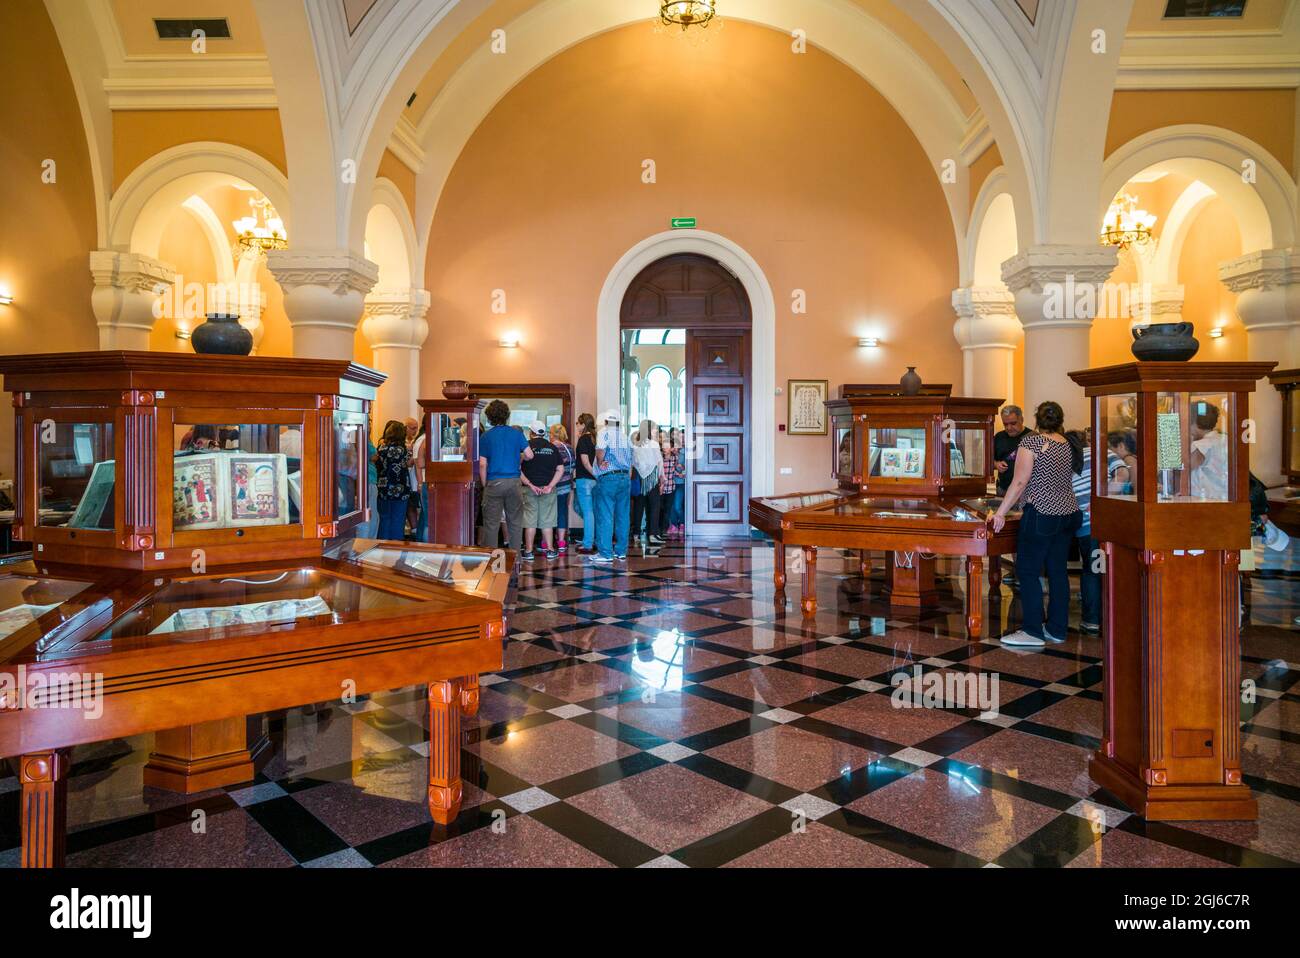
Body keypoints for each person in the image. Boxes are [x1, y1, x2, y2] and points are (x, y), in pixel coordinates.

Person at [989, 401, 1083, 647]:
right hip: (1068, 513)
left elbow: (1019, 482)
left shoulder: (1031, 443)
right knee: (1057, 571)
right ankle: (1056, 629)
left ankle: (1032, 631)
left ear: (1036, 420)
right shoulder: (1066, 443)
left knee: (1028, 571)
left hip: (1042, 512)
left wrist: (1000, 513)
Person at [477, 399, 533, 552]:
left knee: (491, 525)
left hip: (494, 482)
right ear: (507, 416)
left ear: (489, 417)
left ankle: (493, 564)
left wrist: (484, 484)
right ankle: (515, 563)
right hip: (514, 482)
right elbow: (530, 455)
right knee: (515, 523)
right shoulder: (516, 434)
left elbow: (482, 464)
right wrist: (520, 458)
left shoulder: (486, 437)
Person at [1066, 429, 1100, 635]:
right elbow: (1122, 473)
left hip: (1082, 525)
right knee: (1100, 570)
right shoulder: (1098, 454)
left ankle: (1092, 619)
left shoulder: (1065, 462)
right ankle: (1109, 617)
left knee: (1090, 570)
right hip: (1104, 523)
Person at [592, 409, 632, 564]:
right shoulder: (625, 437)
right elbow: (631, 459)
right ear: (619, 423)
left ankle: (605, 553)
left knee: (605, 515)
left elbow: (600, 449)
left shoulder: (604, 433)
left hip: (609, 478)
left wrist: (600, 461)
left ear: (607, 422)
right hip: (624, 477)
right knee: (623, 515)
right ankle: (621, 551)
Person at [520, 422, 562, 560]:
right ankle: (550, 550)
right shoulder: (552, 448)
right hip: (547, 490)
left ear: (531, 433)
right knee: (547, 520)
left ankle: (528, 551)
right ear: (544, 433)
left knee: (529, 521)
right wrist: (550, 486)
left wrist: (530, 484)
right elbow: (560, 469)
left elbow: (517, 468)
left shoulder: (525, 447)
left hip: (528, 489)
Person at [375, 419, 413, 540]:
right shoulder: (402, 450)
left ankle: (382, 545)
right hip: (400, 488)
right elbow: (408, 463)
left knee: (384, 518)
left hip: (383, 487)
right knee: (398, 519)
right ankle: (395, 547)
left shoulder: (381, 448)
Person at [1190, 402, 1228, 501]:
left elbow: (1184, 470)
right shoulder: (1226, 439)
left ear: (1193, 422)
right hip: (1224, 497)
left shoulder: (1201, 445)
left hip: (1206, 499)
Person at [573, 413, 598, 554]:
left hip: (585, 480)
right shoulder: (595, 439)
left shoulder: (583, 439)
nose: (577, 425)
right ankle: (590, 539)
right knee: (592, 512)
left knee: (587, 512)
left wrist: (594, 474)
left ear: (583, 424)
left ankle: (588, 543)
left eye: (578, 423)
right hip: (595, 481)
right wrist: (597, 476)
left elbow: (585, 462)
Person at [549, 424, 575, 553]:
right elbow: (572, 468)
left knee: (548, 513)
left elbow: (550, 467)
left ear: (552, 434)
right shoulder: (570, 448)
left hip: (553, 485)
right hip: (566, 485)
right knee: (562, 513)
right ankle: (561, 542)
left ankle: (546, 542)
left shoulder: (552, 447)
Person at [993, 405, 1027, 495]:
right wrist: (996, 464)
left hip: (1026, 493)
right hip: (1003, 490)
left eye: (1013, 423)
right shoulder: (999, 437)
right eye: (1005, 424)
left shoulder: (1034, 437)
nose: (1009, 428)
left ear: (1021, 420)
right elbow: (987, 461)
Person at [659, 431, 685, 539]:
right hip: (668, 484)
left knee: (677, 506)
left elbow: (687, 469)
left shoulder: (682, 454)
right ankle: (672, 525)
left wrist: (682, 471)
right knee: (670, 507)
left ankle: (682, 524)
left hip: (678, 483)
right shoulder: (665, 455)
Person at [410, 418, 428, 542]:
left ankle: (420, 540)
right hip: (424, 480)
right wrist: (420, 483)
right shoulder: (424, 440)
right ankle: (426, 544)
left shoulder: (422, 439)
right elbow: (418, 463)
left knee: (424, 515)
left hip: (423, 480)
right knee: (428, 517)